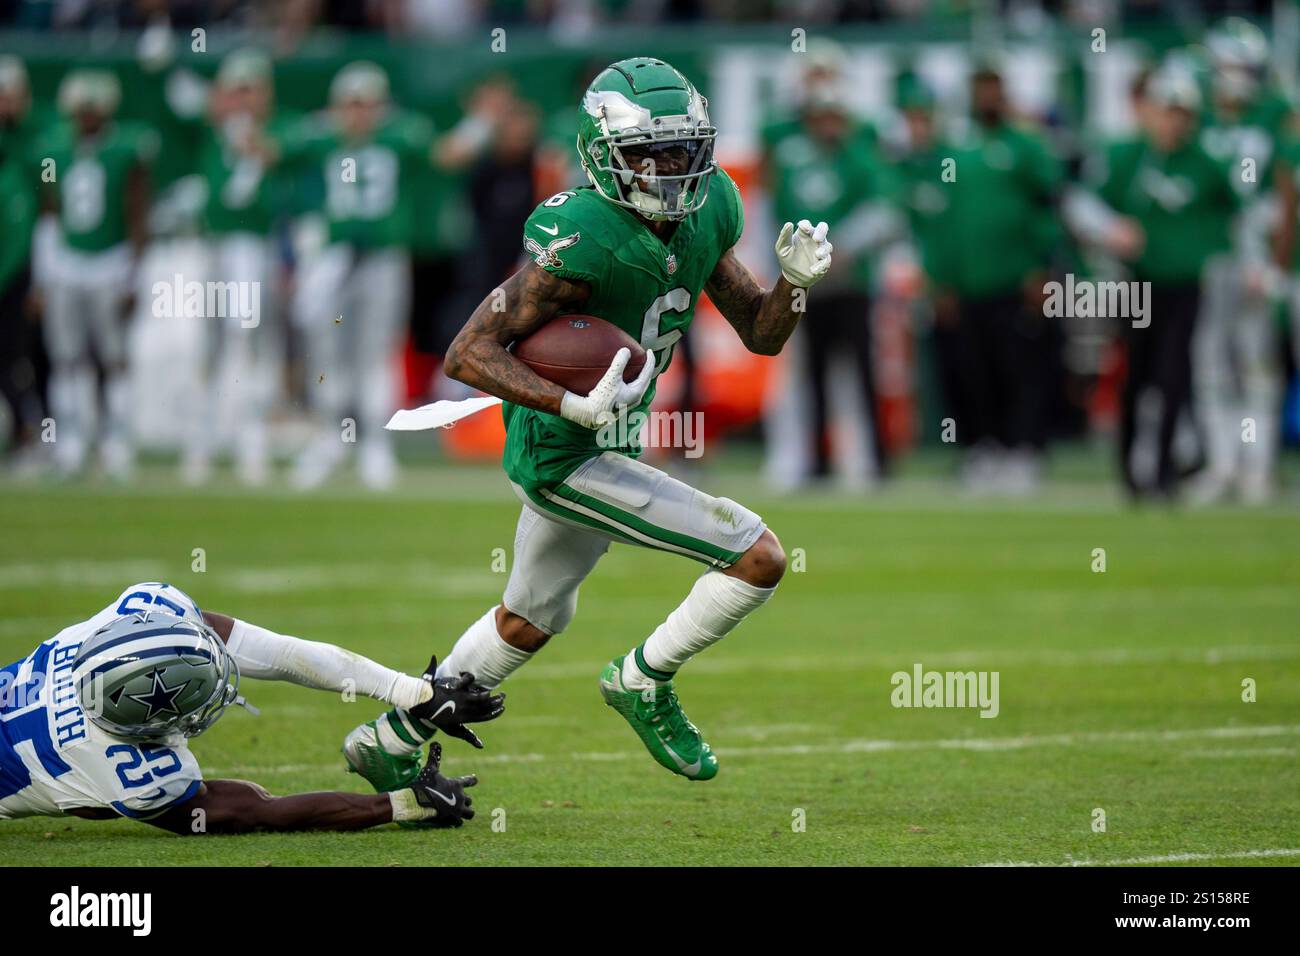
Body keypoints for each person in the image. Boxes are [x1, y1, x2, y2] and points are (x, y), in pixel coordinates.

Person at [342, 56, 832, 787]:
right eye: (651, 153)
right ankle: (643, 678)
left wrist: (793, 286)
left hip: (612, 440)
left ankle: (392, 735)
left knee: (528, 621)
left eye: (684, 150)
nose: (672, 169)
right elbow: (468, 353)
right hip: (563, 454)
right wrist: (567, 403)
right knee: (757, 557)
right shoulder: (581, 235)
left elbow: (760, 334)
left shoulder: (709, 210)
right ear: (604, 158)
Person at [0, 582, 503, 832]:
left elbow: (279, 655)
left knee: (92, 800)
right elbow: (258, 809)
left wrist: (413, 692)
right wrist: (400, 804)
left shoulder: (148, 617)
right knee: (98, 802)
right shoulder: (124, 768)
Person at [1078, 66, 1240, 499]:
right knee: (1135, 374)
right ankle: (1129, 466)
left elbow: (1234, 209)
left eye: (1180, 113)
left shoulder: (1204, 162)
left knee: (1173, 373)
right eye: (1166, 111)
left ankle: (1165, 469)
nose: (1172, 122)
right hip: (1138, 281)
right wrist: (1111, 229)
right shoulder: (1125, 155)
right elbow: (1082, 203)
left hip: (1185, 281)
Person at [1191, 18, 1295, 503]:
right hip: (1211, 254)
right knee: (1211, 364)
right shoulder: (1199, 118)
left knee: (1257, 365)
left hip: (1253, 251)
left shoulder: (1274, 113)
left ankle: (1256, 467)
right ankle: (1222, 462)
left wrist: (1272, 261)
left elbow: (1282, 189)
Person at [36, 70, 154, 479]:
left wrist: (135, 273)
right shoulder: (52, 150)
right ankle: (70, 440)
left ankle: (116, 440)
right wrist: (44, 270)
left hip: (111, 260)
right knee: (67, 357)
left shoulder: (125, 148)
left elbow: (137, 210)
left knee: (114, 356)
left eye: (92, 108)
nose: (86, 116)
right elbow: (49, 208)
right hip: (68, 261)